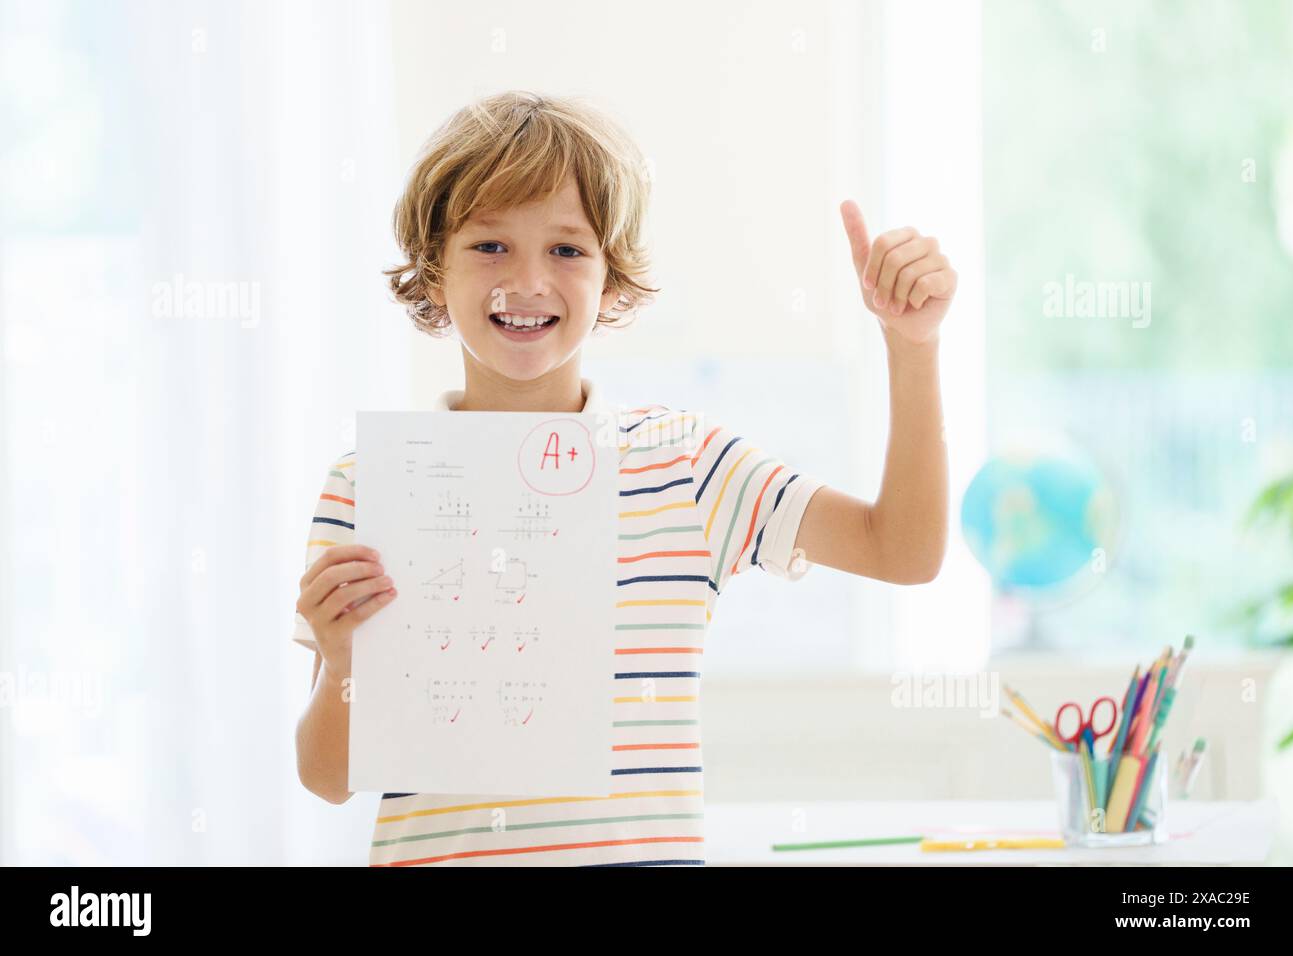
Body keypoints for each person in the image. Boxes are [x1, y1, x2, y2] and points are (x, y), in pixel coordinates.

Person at [292, 90, 957, 866]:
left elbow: (902, 550)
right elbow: (326, 779)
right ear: (434, 273)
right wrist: (343, 666)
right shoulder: (372, 485)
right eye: (490, 247)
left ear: (611, 282)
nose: (529, 280)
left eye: (568, 250)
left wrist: (912, 349)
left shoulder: (686, 466)